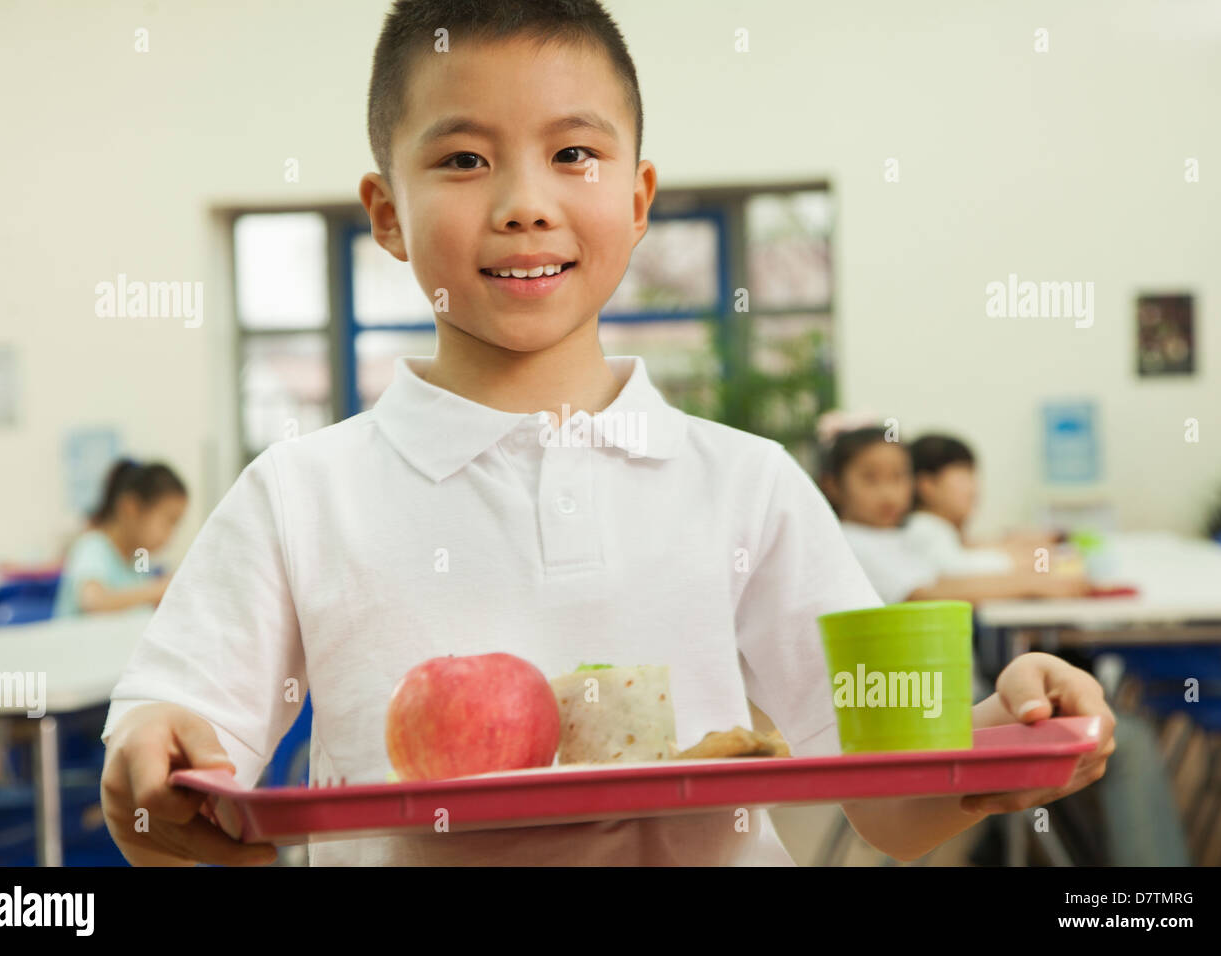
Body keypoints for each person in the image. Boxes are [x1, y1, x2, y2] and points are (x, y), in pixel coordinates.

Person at [99, 0, 1114, 868]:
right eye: (462, 158)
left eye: (572, 153)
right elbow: (173, 742)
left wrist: (1011, 730)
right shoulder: (300, 492)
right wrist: (152, 760)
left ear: (636, 202)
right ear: (387, 213)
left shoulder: (745, 485)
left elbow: (889, 797)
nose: (524, 204)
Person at [819, 427, 1091, 605]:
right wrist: (1032, 584)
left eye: (898, 478)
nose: (889, 493)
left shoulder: (890, 537)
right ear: (832, 485)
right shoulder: (853, 542)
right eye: (871, 479)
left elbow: (939, 578)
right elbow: (925, 594)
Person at [907, 433, 1060, 576]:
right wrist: (1020, 559)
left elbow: (963, 551)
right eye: (963, 477)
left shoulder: (940, 531)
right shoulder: (923, 527)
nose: (974, 488)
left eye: (973, 476)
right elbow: (955, 569)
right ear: (927, 485)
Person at [52, 459, 187, 617]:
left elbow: (142, 599)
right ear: (131, 508)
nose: (171, 534)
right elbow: (93, 602)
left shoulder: (139, 556)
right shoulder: (92, 546)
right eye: (169, 521)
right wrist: (159, 588)